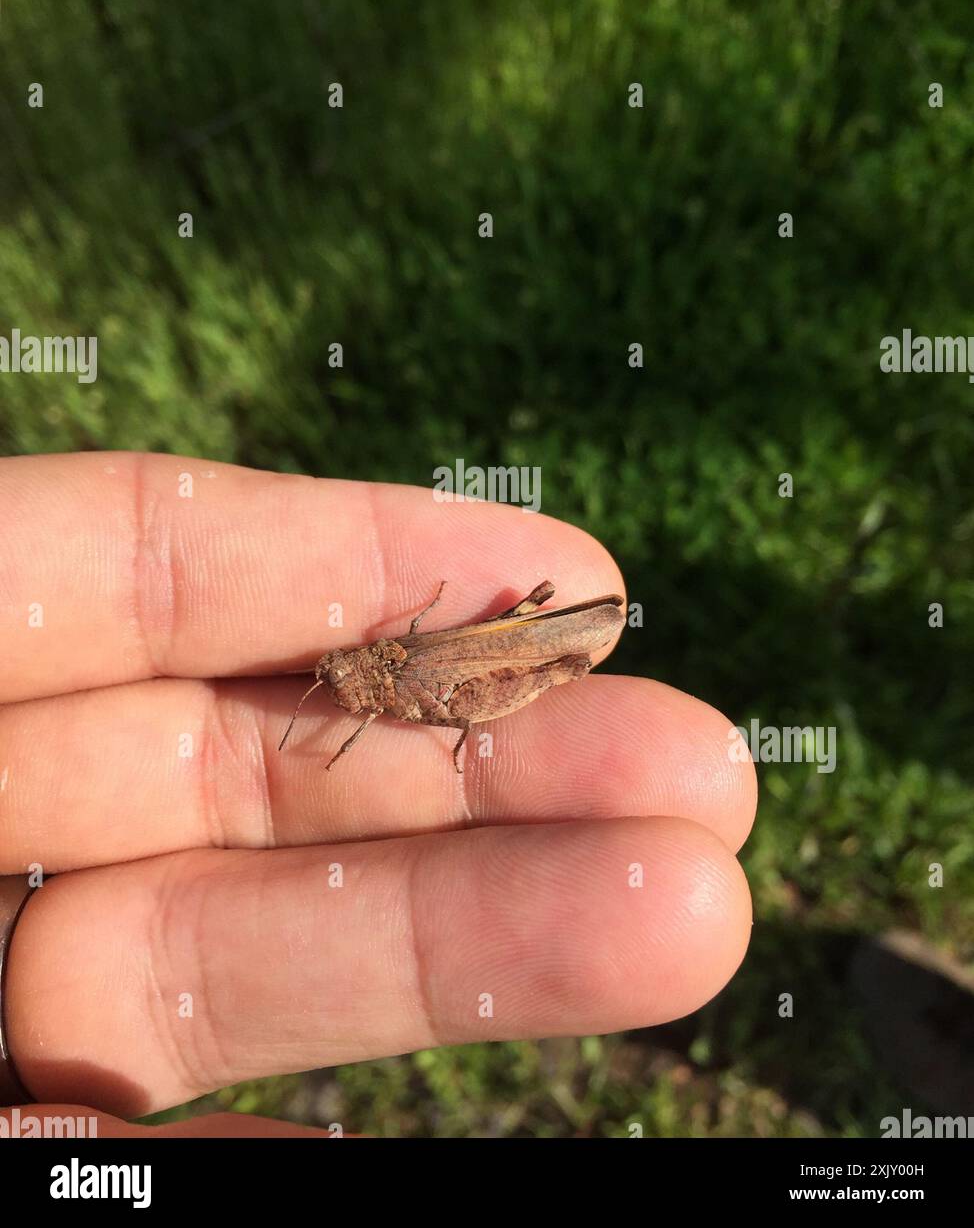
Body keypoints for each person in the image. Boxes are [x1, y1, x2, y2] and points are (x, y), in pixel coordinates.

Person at [0, 452, 755, 1137]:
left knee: (530, 663)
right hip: (445, 685)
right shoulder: (368, 683)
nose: (338, 688)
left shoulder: (393, 675)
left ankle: (565, 641)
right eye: (338, 680)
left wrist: (473, 688)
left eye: (344, 680)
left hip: (473, 678)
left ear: (370, 670)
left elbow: (435, 671)